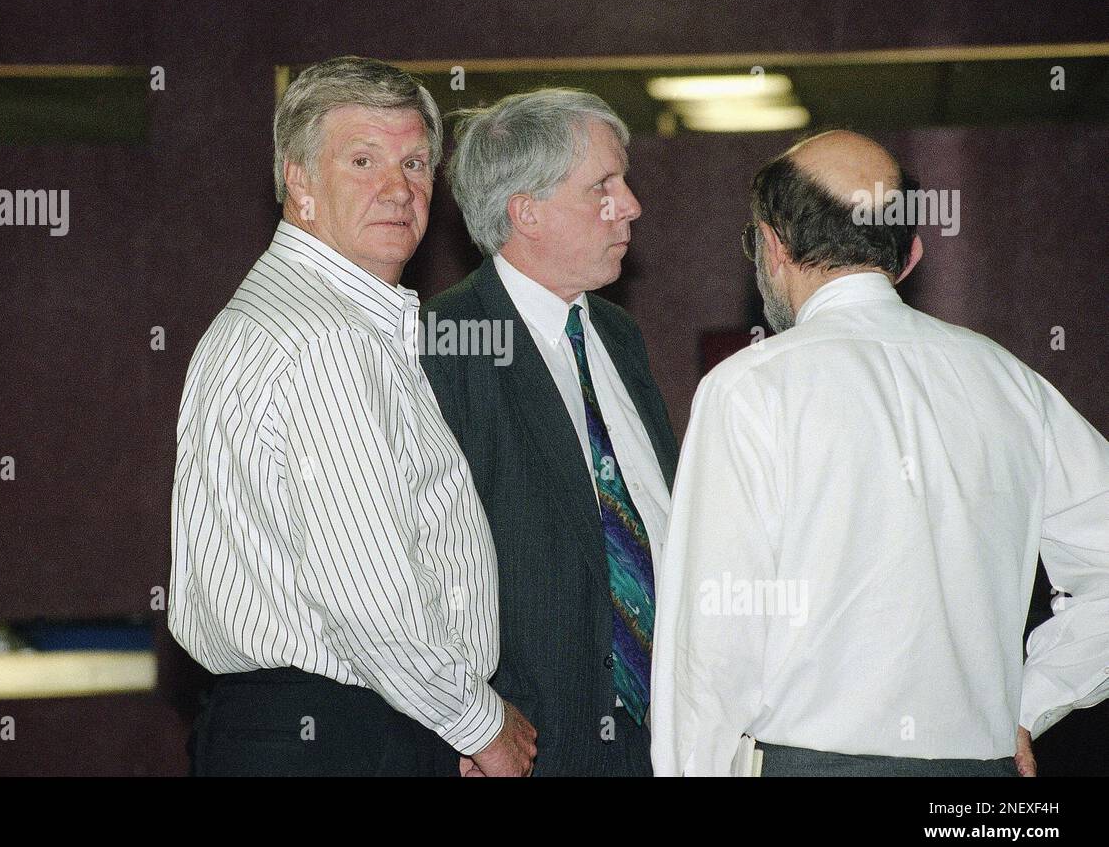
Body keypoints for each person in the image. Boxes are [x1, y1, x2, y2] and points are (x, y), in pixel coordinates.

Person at [651, 129, 1109, 776]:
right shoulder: (1011, 383)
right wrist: (1029, 705)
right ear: (911, 256)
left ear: (773, 248)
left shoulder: (750, 387)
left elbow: (714, 646)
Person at [170, 55, 536, 777]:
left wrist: (443, 720)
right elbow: (369, 592)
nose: (398, 189)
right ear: (298, 181)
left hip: (314, 727)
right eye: (363, 160)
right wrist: (475, 722)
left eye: (415, 162)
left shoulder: (286, 316)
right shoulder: (327, 338)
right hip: (341, 734)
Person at [422, 89, 679, 775]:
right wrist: (466, 724)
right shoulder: (445, 341)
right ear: (525, 212)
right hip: (532, 743)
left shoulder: (619, 335)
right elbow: (413, 560)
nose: (630, 205)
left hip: (663, 736)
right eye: (602, 186)